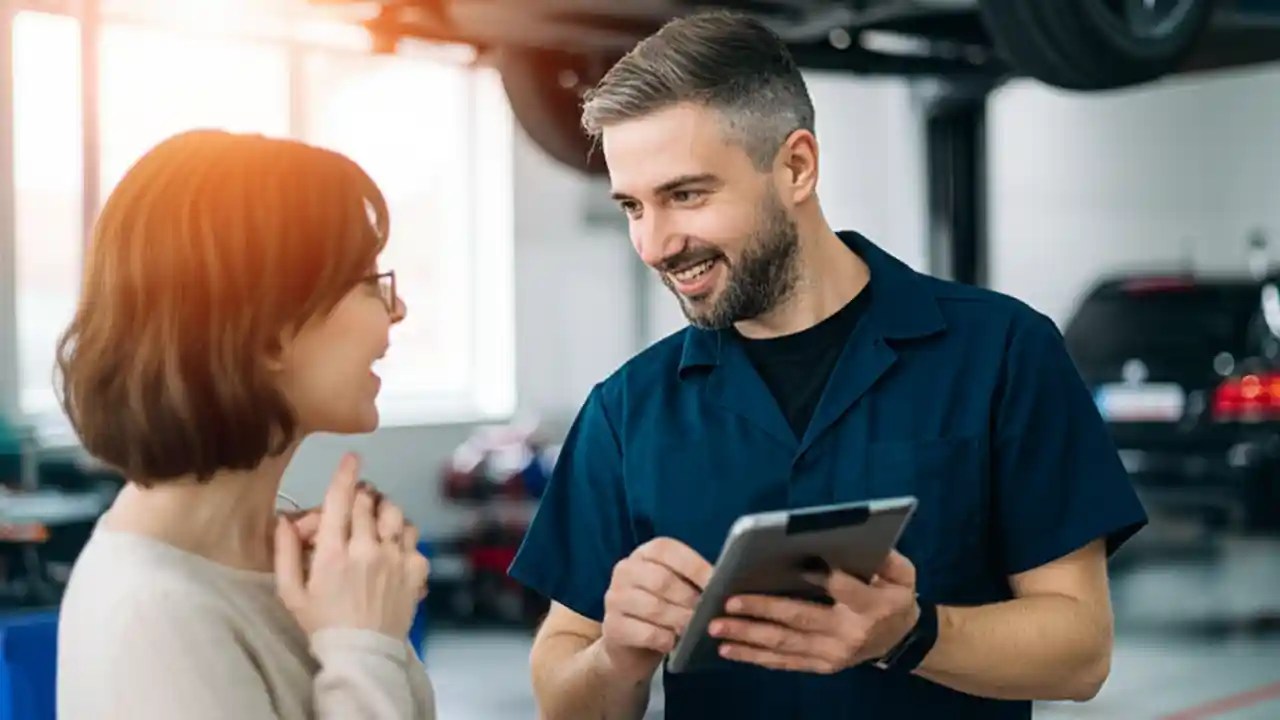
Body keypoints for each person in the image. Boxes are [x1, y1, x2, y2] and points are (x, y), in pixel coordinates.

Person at [508, 10, 1148, 720]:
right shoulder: (627, 412)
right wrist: (614, 656)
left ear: (796, 167)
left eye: (686, 195)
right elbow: (563, 693)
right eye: (634, 205)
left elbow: (1081, 650)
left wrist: (913, 632)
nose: (656, 242)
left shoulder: (1002, 354)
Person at [54, 129, 435, 719]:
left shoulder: (286, 565)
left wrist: (365, 620)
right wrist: (364, 645)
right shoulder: (154, 615)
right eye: (367, 283)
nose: (397, 309)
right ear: (265, 332)